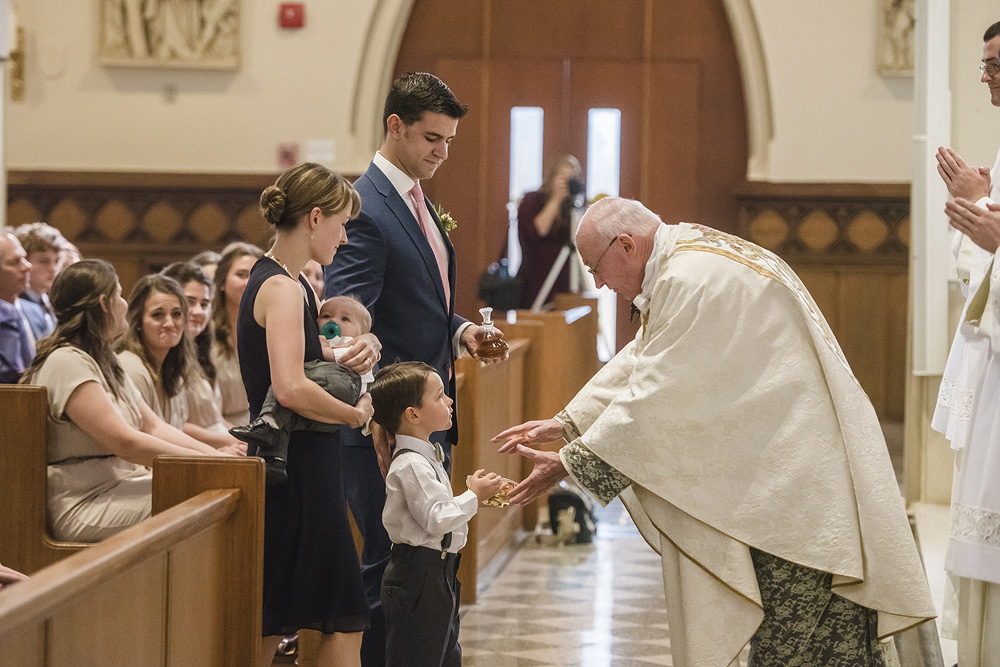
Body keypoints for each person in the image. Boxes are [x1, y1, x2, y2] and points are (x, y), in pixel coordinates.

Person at [493, 197, 935, 667]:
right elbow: (649, 354)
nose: (599, 283)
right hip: (787, 474)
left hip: (797, 494)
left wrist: (570, 462)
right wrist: (569, 422)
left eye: (596, 268)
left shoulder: (690, 278)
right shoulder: (687, 254)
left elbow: (658, 391)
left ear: (626, 244)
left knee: (807, 644)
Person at [324, 72, 506, 667]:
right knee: (394, 570)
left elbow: (416, 301)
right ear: (394, 126)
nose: (441, 152)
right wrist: (354, 351)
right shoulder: (368, 207)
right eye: (431, 138)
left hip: (421, 418)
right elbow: (344, 315)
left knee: (431, 566)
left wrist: (462, 332)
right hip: (386, 425)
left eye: (449, 140)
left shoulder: (417, 200)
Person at [239, 162, 380, 667]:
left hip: (302, 460)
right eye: (342, 224)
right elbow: (290, 386)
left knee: (301, 611)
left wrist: (356, 347)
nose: (344, 238)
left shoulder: (288, 282)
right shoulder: (283, 288)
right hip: (295, 463)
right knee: (337, 616)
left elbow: (307, 356)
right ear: (315, 218)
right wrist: (355, 415)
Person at [20, 259, 237, 542]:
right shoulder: (65, 361)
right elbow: (125, 442)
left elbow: (153, 426)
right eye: (120, 295)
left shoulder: (104, 359)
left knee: (214, 491)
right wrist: (210, 463)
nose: (125, 303)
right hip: (81, 501)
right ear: (104, 303)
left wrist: (216, 458)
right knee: (199, 501)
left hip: (117, 485)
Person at [932, 20, 1000, 666]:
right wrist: (975, 218)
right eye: (983, 64)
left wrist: (992, 230)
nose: (986, 77)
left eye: (996, 65)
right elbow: (976, 271)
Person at [369, 361, 501, 667]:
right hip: (418, 574)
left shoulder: (424, 455)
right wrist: (473, 496)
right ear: (412, 415)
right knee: (418, 657)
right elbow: (436, 518)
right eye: (440, 396)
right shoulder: (411, 465)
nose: (450, 400)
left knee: (445, 655)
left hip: (438, 571)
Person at [230, 295, 374, 485]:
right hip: (329, 410)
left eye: (345, 319)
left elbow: (343, 358)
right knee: (287, 419)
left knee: (284, 380)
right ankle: (275, 461)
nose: (333, 322)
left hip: (345, 383)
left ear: (362, 333)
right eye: (326, 315)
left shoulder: (353, 344)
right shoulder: (323, 338)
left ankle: (266, 421)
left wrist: (319, 348)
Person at [118, 273, 239, 450]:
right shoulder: (131, 367)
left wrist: (220, 452)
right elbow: (140, 444)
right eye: (157, 315)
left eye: (176, 314)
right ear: (138, 321)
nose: (169, 323)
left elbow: (174, 433)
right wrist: (216, 455)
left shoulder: (175, 370)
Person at [161, 262, 235, 442]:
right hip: (193, 451)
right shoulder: (165, 353)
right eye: (190, 302)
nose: (198, 311)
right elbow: (173, 424)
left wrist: (241, 437)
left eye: (204, 304)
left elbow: (215, 419)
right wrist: (229, 442)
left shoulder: (200, 351)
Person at [516, 155, 583, 309]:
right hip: (536, 282)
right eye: (563, 180)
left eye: (572, 180)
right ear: (552, 178)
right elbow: (537, 231)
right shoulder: (532, 200)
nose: (567, 185)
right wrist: (556, 199)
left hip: (566, 283)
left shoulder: (573, 207)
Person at [212, 241, 262, 426]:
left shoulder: (267, 333)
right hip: (219, 432)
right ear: (222, 282)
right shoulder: (204, 336)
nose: (249, 282)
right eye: (241, 275)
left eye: (255, 276)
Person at [13, 222, 66, 340]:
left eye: (57, 261)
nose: (53, 269)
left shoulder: (50, 303)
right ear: (24, 262)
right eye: (44, 261)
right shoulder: (16, 304)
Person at [0, 231, 35, 384]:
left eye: (24, 258)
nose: (27, 266)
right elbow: (11, 377)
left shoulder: (27, 310)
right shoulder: (6, 313)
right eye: (14, 262)